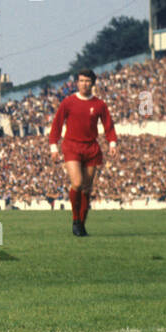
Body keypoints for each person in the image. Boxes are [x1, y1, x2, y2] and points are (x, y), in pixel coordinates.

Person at [49, 68, 119, 237]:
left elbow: (108, 125)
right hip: (71, 146)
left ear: (92, 83)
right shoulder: (68, 102)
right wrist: (53, 146)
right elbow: (57, 125)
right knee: (78, 183)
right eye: (81, 81)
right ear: (77, 83)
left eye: (87, 81)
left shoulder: (99, 104)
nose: (84, 84)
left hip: (91, 148)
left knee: (87, 188)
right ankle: (75, 219)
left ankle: (81, 223)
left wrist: (112, 142)